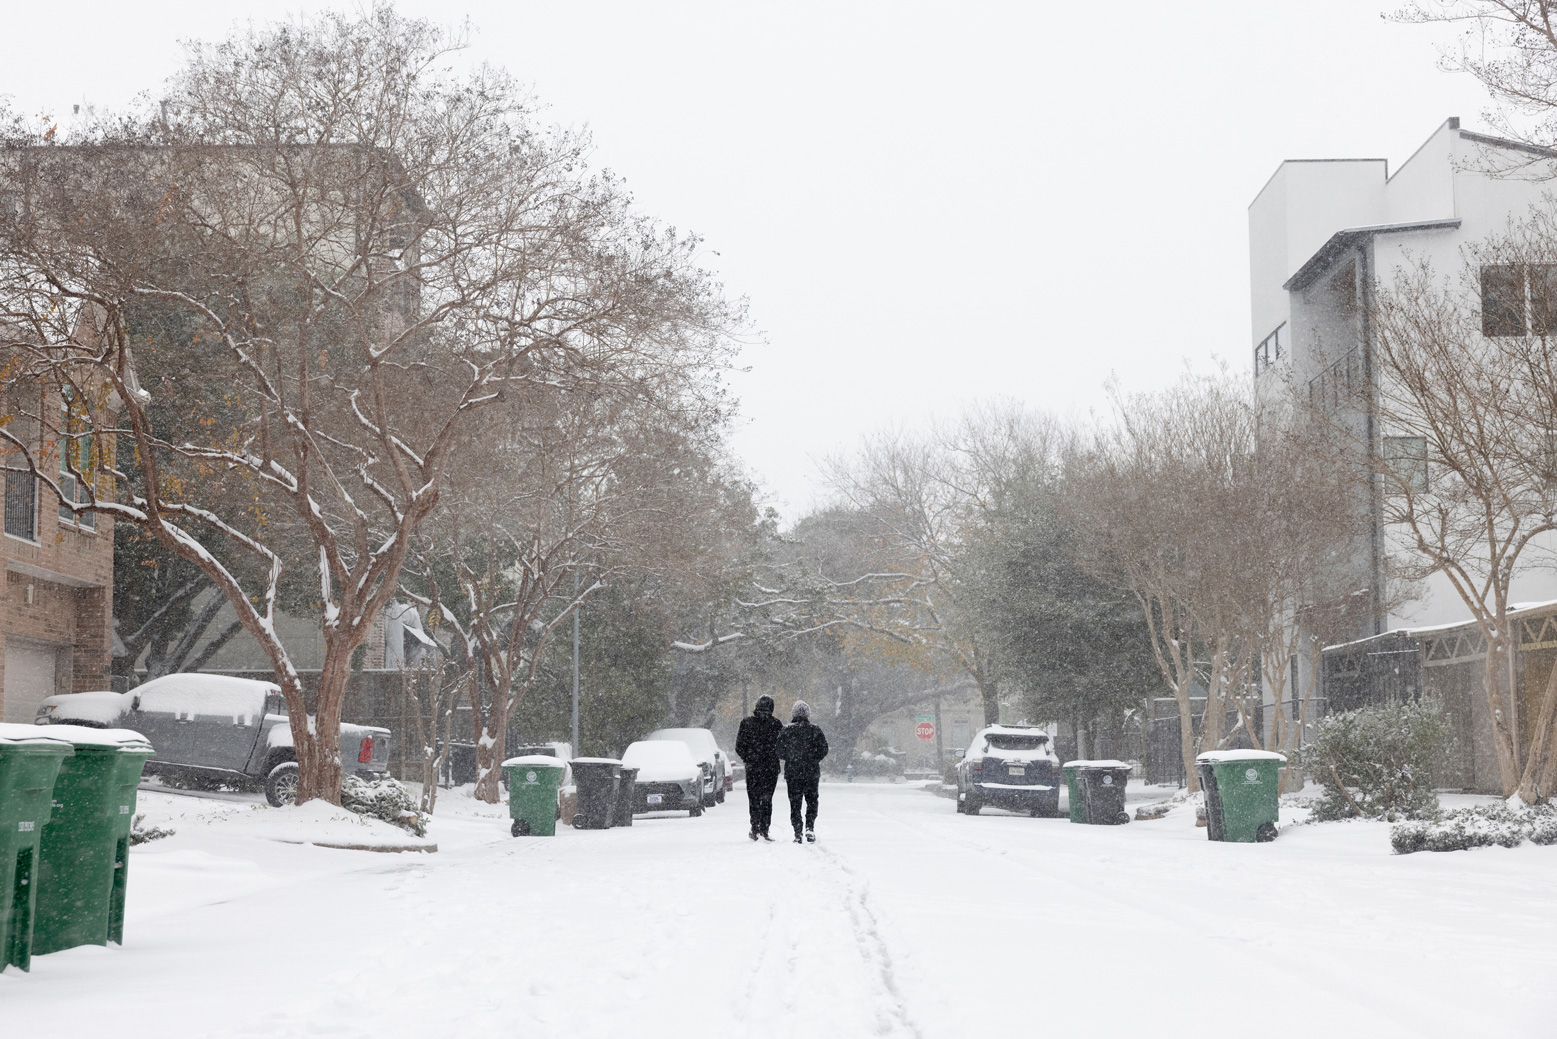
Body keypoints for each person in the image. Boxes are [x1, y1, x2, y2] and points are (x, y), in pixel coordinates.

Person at [777, 700, 829, 843]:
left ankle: (797, 831)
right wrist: (813, 759)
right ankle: (810, 827)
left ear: (793, 714)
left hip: (793, 772)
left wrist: (790, 757)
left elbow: (779, 751)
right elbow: (824, 749)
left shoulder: (786, 730)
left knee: (795, 802)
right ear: (808, 714)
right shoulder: (815, 730)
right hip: (811, 772)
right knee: (812, 800)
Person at [735, 695, 784, 841]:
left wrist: (748, 757)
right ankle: (765, 829)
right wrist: (773, 756)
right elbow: (782, 747)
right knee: (767, 799)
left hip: (753, 768)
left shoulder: (746, 723)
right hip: (771, 768)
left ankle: (755, 827)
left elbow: (739, 746)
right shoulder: (776, 724)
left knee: (754, 799)